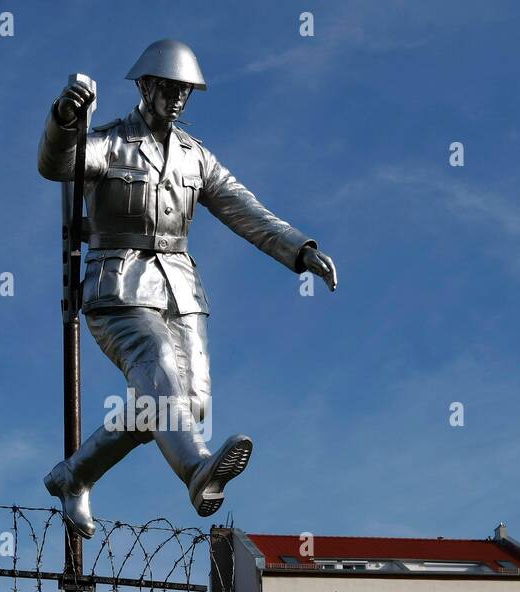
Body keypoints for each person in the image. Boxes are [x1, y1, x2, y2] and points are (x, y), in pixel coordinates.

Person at [39, 38, 338, 538]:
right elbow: (57, 164)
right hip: (118, 287)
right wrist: (66, 118)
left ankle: (74, 477)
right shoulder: (110, 142)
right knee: (159, 373)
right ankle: (198, 470)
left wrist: (299, 250)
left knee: (184, 405)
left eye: (187, 91)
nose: (178, 99)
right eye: (170, 88)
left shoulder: (196, 158)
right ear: (147, 86)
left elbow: (246, 210)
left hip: (181, 291)